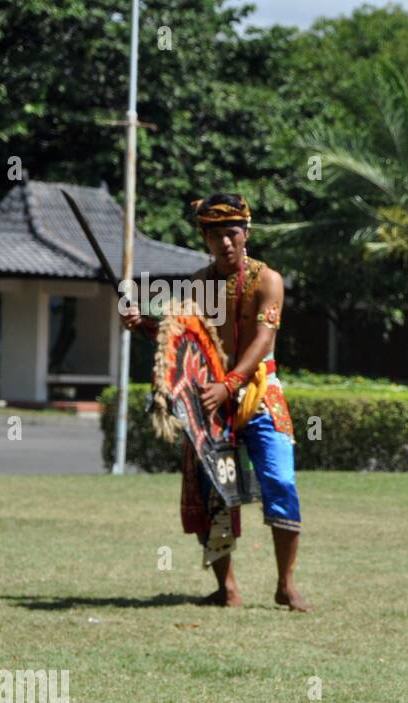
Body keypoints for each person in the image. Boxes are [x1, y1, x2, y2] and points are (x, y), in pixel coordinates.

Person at [122, 194, 309, 612]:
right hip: (211, 398)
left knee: (280, 481)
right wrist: (143, 325)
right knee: (215, 492)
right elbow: (183, 336)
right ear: (204, 238)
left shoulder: (268, 281)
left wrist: (231, 382)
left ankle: (286, 584)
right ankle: (227, 589)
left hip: (260, 392)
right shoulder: (198, 285)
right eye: (215, 235)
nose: (225, 242)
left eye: (232, 233)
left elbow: (264, 341)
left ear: (246, 234)